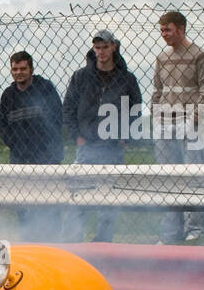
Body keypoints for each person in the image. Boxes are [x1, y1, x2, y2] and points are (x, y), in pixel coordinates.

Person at [60, 30, 143, 243]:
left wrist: (125, 138)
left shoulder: (127, 79)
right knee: (78, 195)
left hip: (113, 146)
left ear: (114, 46)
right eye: (97, 47)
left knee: (109, 200)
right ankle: (73, 241)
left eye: (105, 47)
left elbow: (136, 111)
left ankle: (103, 242)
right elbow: (68, 106)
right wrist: (76, 136)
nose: (101, 52)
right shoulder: (81, 76)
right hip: (86, 146)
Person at [152, 10, 204, 243]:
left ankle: (196, 229)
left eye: (167, 30)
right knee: (168, 178)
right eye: (161, 30)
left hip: (191, 124)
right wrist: (156, 114)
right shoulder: (162, 58)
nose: (164, 35)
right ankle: (170, 232)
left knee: (194, 175)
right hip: (165, 123)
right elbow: (157, 90)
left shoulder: (200, 55)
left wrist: (196, 115)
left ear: (181, 28)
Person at [0, 51, 63, 240]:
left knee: (50, 206)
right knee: (24, 207)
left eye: (23, 68)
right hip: (20, 159)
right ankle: (28, 242)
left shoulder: (46, 88)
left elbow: (57, 119)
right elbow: (3, 128)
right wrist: (18, 147)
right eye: (15, 69)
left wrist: (44, 149)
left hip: (47, 159)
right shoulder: (8, 95)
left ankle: (53, 244)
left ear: (31, 69)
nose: (19, 73)